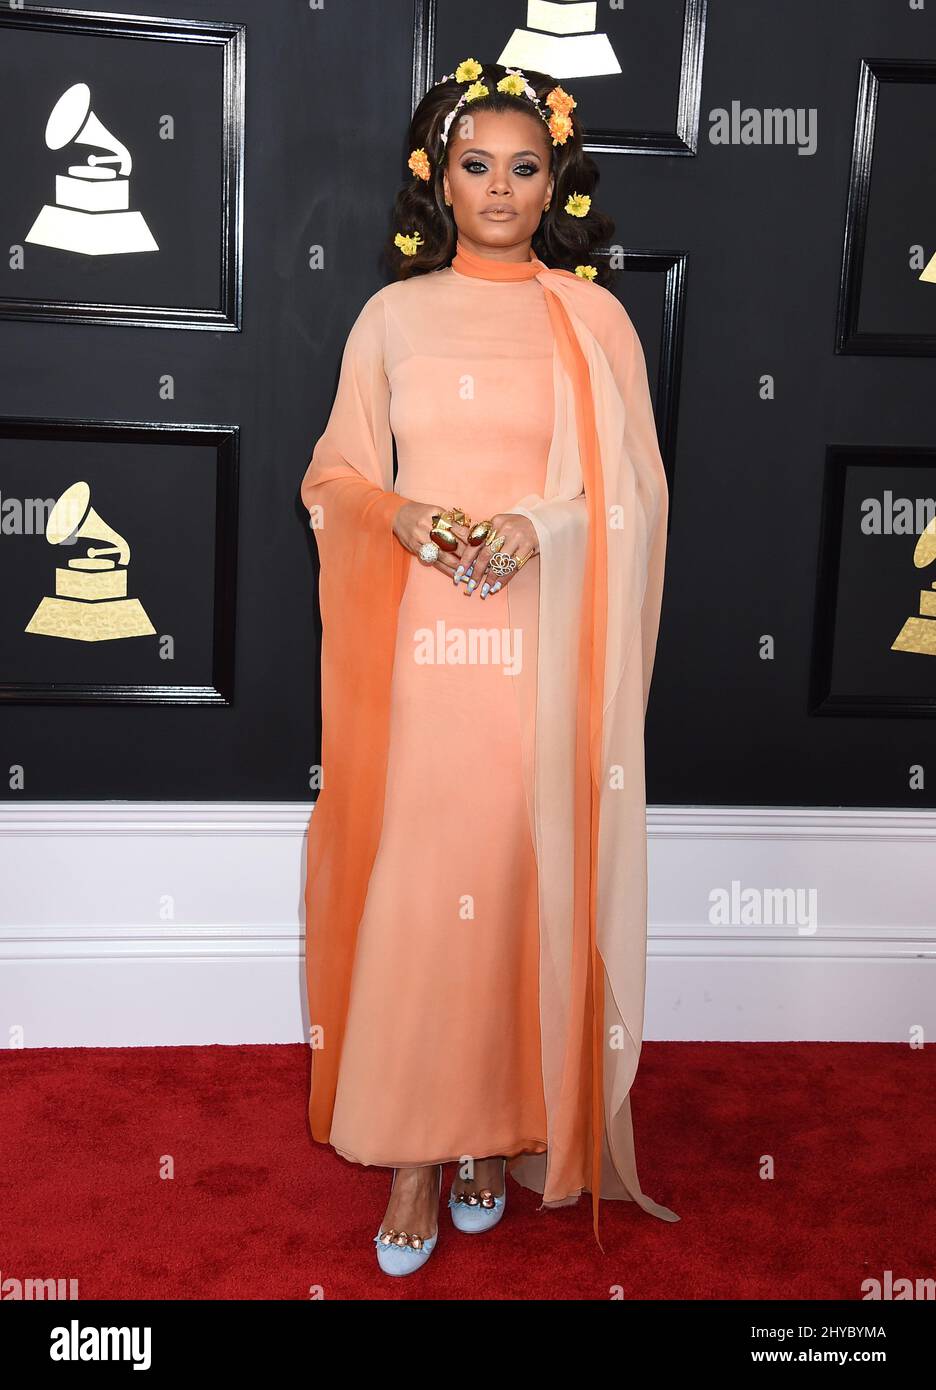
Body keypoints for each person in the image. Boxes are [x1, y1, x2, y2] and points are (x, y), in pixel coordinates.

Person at [300, 58, 679, 1276]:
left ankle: (489, 1135)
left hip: (545, 649)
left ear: (556, 179)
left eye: (526, 167)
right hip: (426, 650)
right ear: (438, 179)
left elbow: (635, 496)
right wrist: (405, 517)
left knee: (517, 884)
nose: (501, 189)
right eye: (477, 166)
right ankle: (413, 1148)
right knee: (427, 884)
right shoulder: (393, 319)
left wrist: (539, 524)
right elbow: (333, 480)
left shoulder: (596, 318)